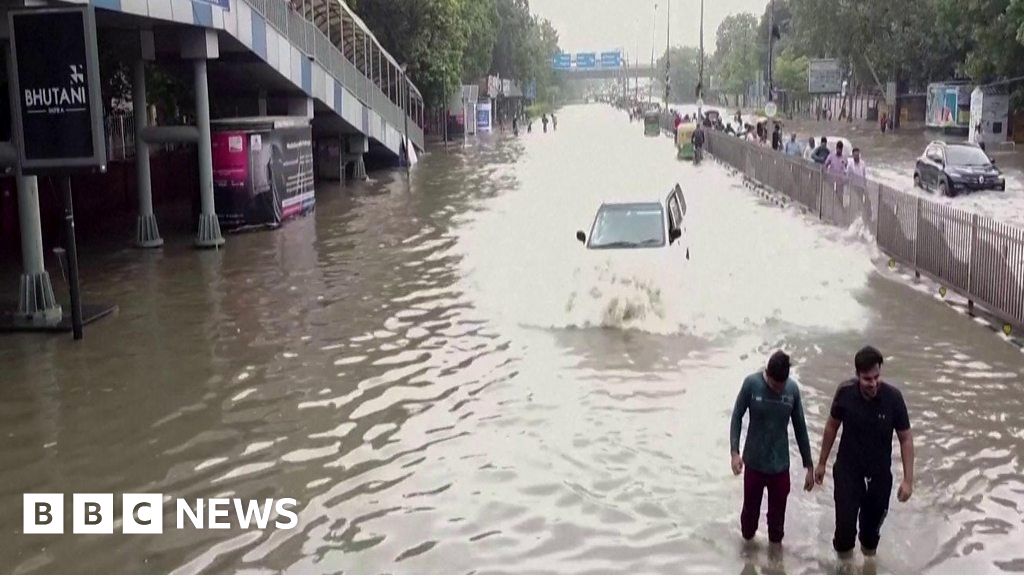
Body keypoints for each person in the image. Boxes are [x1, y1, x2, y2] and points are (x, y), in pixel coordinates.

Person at [814, 346, 914, 557]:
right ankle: (844, 568)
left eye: (877, 377)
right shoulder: (845, 393)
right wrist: (821, 463)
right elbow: (832, 426)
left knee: (870, 537)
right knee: (844, 532)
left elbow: (905, 438)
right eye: (868, 379)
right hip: (848, 472)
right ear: (858, 375)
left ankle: (868, 568)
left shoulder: (893, 398)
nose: (873, 383)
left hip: (879, 476)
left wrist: (908, 479)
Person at [730, 351, 814, 545]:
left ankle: (775, 564)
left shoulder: (792, 390)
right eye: (774, 385)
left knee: (777, 525)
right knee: (749, 521)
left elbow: (800, 427)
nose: (778, 390)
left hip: (780, 466)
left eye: (781, 386)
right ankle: (747, 560)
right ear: (767, 373)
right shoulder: (751, 384)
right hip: (754, 462)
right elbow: (736, 416)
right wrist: (735, 453)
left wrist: (808, 465)